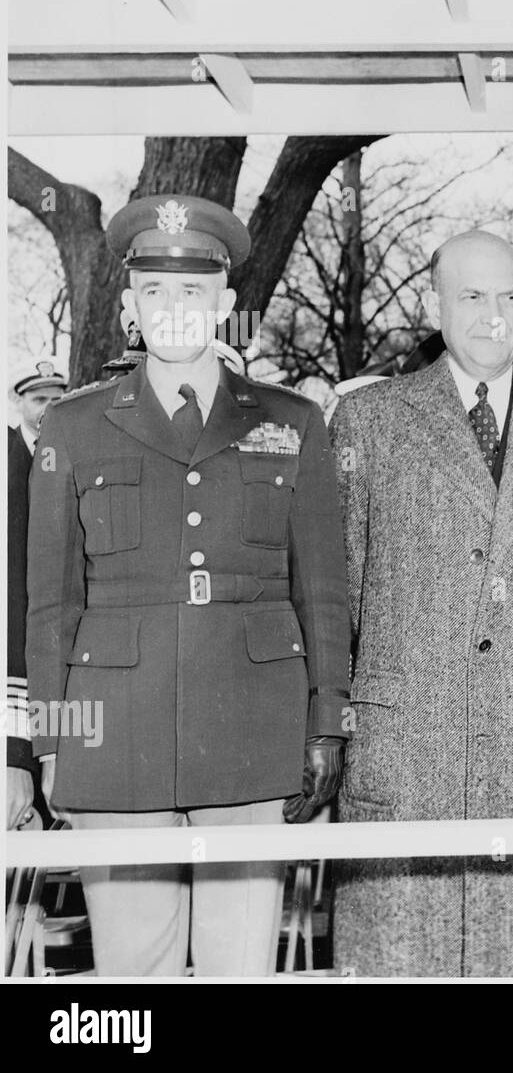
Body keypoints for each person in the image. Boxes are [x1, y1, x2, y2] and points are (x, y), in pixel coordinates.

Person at [27, 194, 352, 976]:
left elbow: (325, 592)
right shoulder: (72, 427)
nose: (173, 310)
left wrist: (326, 723)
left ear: (226, 304)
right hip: (115, 741)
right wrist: (49, 741)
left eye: (193, 292)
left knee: (238, 969)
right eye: (155, 292)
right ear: (132, 305)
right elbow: (50, 604)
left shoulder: (292, 421)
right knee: (134, 978)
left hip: (253, 734)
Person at [329, 229, 513, 977]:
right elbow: (341, 593)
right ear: (436, 304)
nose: (493, 313)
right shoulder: (369, 421)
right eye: (472, 295)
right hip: (406, 763)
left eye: (510, 296)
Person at [8, 359, 66, 830]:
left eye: (55, 398)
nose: (48, 408)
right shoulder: (7, 456)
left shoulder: (71, 451)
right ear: (18, 402)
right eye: (38, 398)